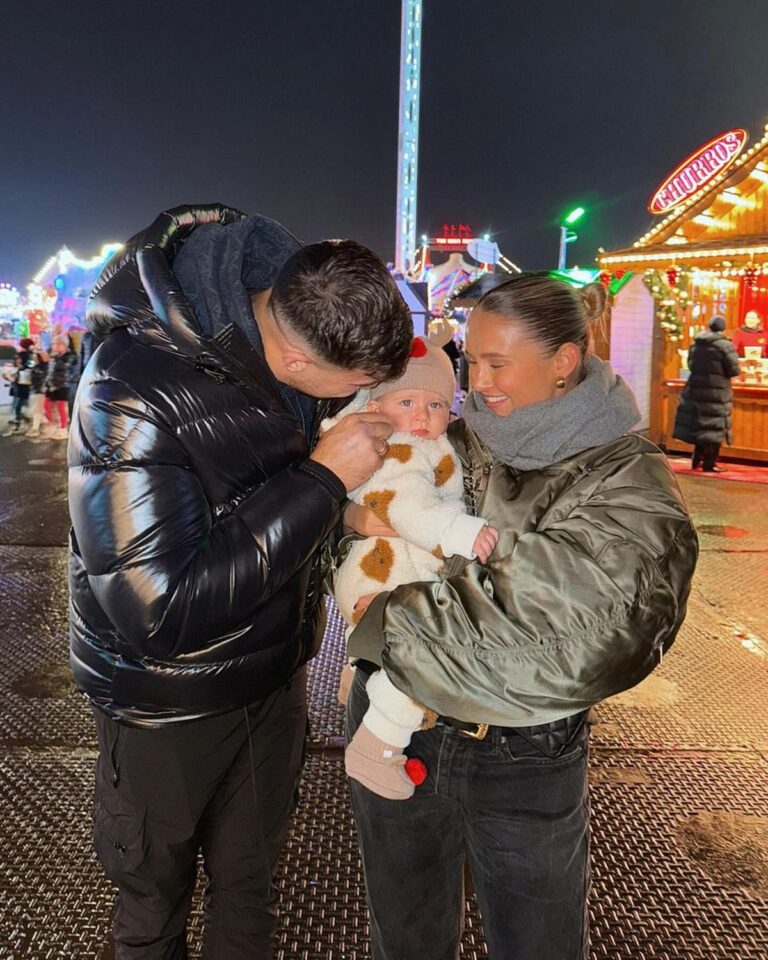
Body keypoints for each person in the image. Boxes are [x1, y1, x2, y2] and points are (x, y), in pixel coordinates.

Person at [68, 203, 413, 959]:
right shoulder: (129, 384)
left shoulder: (277, 335)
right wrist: (324, 479)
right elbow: (157, 610)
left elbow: (261, 502)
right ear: (296, 362)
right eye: (349, 386)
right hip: (167, 706)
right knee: (153, 907)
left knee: (251, 891)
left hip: (270, 685)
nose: (353, 403)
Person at [344, 275, 698, 960]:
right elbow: (367, 508)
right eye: (471, 361)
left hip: (522, 749)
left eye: (497, 363)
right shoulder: (455, 432)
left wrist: (386, 620)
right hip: (398, 727)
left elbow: (570, 628)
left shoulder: (624, 476)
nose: (479, 382)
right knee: (403, 933)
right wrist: (356, 522)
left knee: (538, 939)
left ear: (564, 360)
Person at [329, 331, 497, 800]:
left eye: (437, 406)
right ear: (378, 403)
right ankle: (376, 746)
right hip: (390, 570)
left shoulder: (404, 439)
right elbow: (405, 506)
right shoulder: (400, 448)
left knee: (396, 647)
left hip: (379, 569)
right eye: (407, 401)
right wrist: (458, 533)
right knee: (419, 661)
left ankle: (355, 673)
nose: (423, 416)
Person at [673, 316, 741, 472]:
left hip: (696, 389)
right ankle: (710, 464)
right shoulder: (725, 346)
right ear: (723, 328)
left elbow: (690, 365)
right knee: (715, 427)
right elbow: (734, 370)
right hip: (717, 392)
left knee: (700, 426)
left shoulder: (696, 344)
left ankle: (696, 461)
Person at [44, 335, 78, 439]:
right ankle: (54, 425)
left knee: (61, 408)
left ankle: (63, 429)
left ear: (65, 345)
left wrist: (54, 358)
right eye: (54, 343)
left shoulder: (70, 355)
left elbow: (65, 367)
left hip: (64, 385)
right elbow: (50, 371)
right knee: (46, 405)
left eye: (58, 344)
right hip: (52, 385)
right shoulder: (54, 356)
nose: (56, 346)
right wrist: (47, 383)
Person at [26, 347, 50, 438]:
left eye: (35, 357)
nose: (33, 358)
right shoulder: (34, 367)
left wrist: (44, 387)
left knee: (37, 409)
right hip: (33, 390)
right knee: (34, 409)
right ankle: (40, 426)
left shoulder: (45, 366)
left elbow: (46, 377)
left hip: (40, 390)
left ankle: (35, 429)